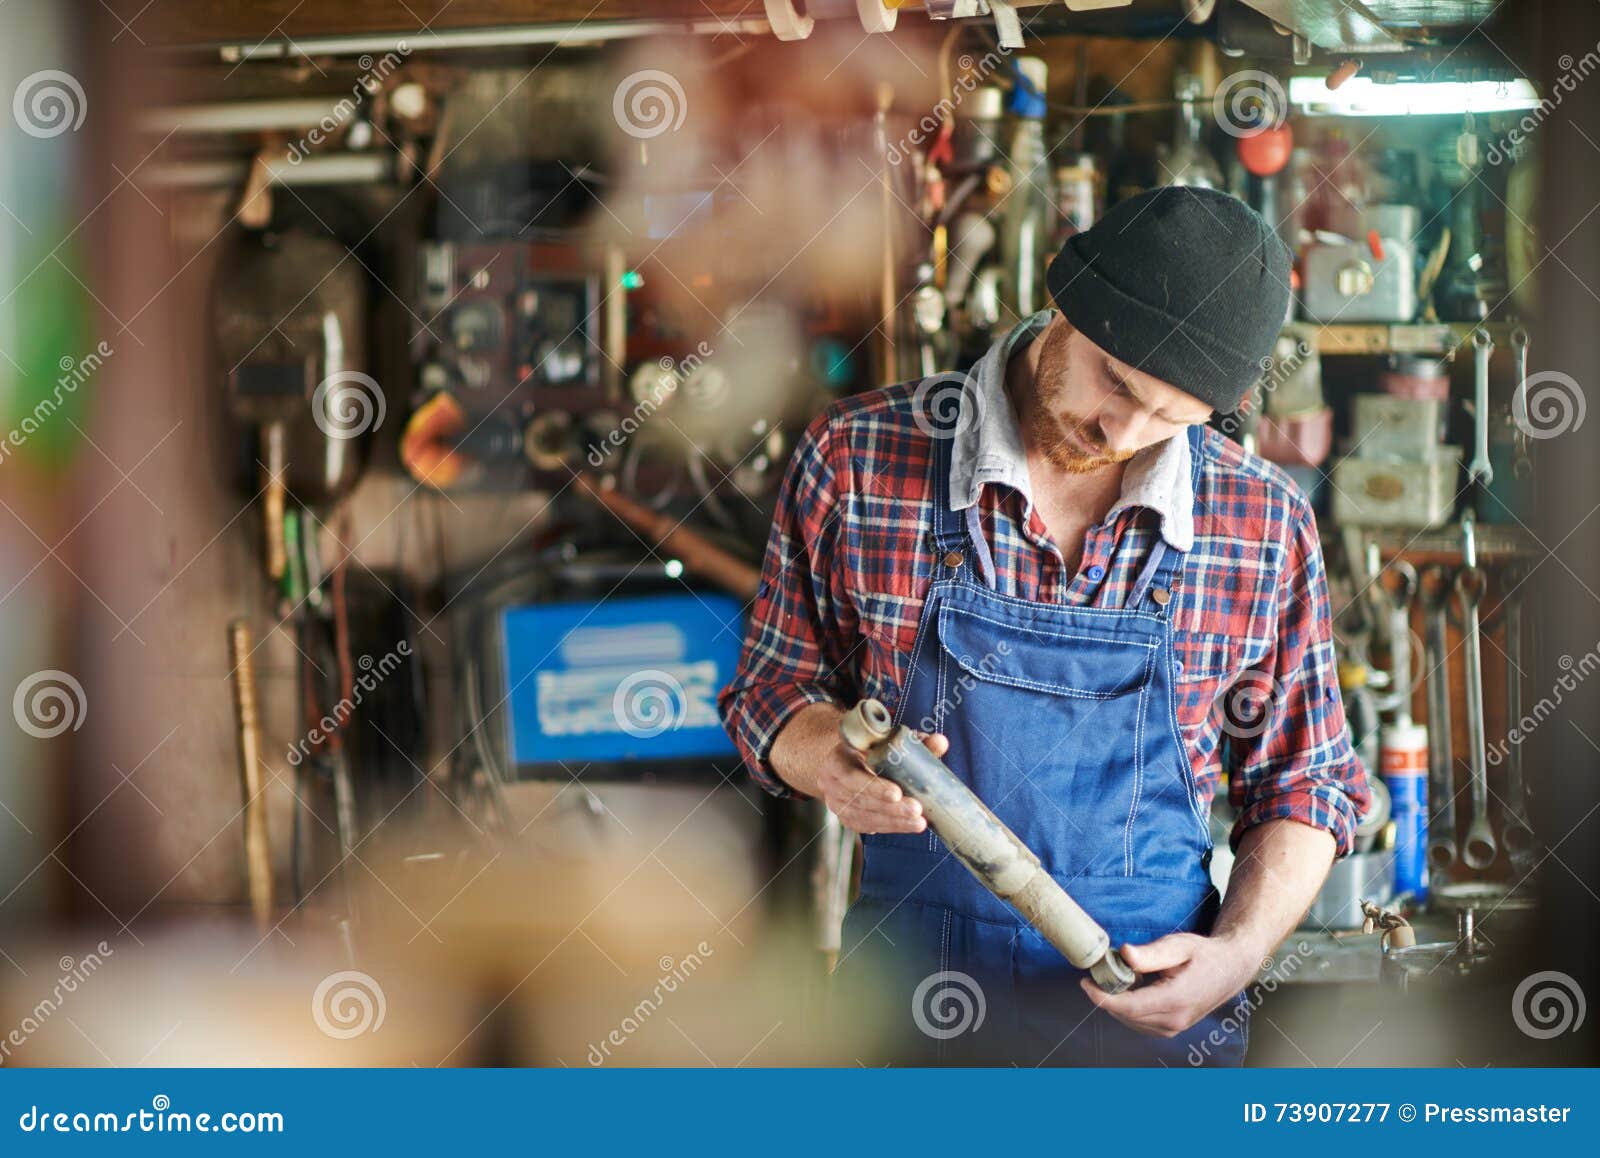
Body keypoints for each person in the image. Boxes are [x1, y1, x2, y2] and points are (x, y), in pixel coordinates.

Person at [719, 186, 1370, 1065]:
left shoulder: (1260, 522)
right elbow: (770, 691)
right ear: (1064, 300)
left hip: (1145, 1030)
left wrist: (1236, 958)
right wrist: (824, 758)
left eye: (1171, 417)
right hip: (911, 1016)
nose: (1123, 431)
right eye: (1118, 383)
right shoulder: (859, 458)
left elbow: (1306, 784)